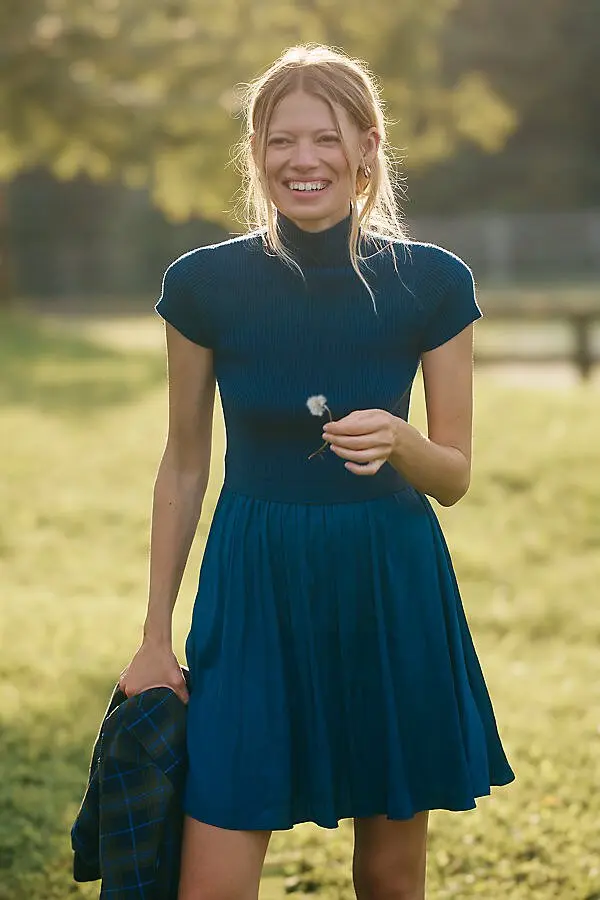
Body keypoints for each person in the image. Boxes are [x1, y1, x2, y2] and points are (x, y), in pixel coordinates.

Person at [118, 43, 515, 900]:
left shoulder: (434, 284)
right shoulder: (202, 285)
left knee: (390, 872)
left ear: (369, 146)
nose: (303, 160)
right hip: (253, 584)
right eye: (280, 140)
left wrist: (404, 444)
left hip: (388, 583)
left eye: (326, 139)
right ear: (256, 153)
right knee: (213, 869)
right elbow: (185, 462)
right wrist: (156, 637)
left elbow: (452, 475)